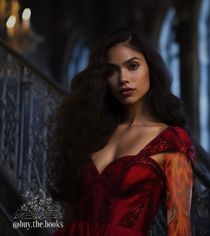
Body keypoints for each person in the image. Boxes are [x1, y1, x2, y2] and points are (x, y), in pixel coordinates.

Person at [47, 28, 195, 236]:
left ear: (150, 69)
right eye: (112, 71)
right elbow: (70, 218)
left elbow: (179, 230)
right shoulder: (88, 134)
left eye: (132, 66)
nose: (123, 78)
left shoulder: (171, 140)